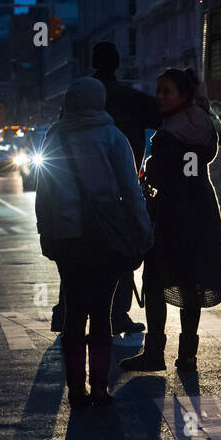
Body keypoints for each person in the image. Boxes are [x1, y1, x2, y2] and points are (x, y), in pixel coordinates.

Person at [35, 77, 149, 408]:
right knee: (102, 313)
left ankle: (75, 390)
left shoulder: (55, 136)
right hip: (105, 236)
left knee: (73, 313)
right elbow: (131, 191)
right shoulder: (114, 138)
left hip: (68, 238)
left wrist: (45, 231)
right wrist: (142, 229)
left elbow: (44, 194)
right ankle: (100, 387)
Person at [120, 67, 221, 373]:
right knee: (190, 280)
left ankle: (155, 351)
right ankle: (188, 355)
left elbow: (157, 173)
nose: (159, 97)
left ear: (184, 95)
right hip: (201, 205)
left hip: (172, 209)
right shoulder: (204, 125)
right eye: (158, 90)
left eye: (165, 91)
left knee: (154, 280)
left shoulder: (170, 132)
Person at [92, 41, 160, 336]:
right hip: (121, 189)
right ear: (117, 64)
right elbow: (163, 119)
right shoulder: (132, 99)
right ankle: (117, 313)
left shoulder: (79, 100)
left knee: (81, 255)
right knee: (121, 253)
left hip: (85, 194)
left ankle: (67, 311)